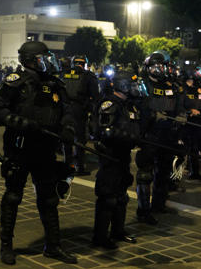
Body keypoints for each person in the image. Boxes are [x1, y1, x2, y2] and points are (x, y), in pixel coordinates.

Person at [0, 40, 78, 266]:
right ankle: (6, 246)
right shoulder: (16, 82)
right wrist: (19, 122)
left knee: (49, 199)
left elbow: (67, 111)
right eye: (42, 58)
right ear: (30, 61)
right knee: (13, 197)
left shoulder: (55, 83)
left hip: (45, 149)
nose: (48, 62)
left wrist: (67, 128)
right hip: (19, 148)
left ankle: (53, 246)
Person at [91, 70, 143, 249]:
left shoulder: (127, 104)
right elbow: (105, 131)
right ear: (123, 85)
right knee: (108, 197)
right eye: (132, 84)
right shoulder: (110, 104)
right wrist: (128, 137)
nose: (135, 88)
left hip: (123, 155)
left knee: (121, 195)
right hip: (110, 155)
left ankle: (118, 231)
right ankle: (100, 237)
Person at [136, 51, 182, 225]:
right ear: (147, 68)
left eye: (161, 66)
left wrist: (181, 115)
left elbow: (177, 106)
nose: (159, 70)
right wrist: (152, 115)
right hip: (149, 134)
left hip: (167, 135)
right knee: (145, 175)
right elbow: (137, 107)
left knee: (163, 173)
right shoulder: (142, 85)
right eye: (155, 66)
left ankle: (158, 204)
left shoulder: (171, 86)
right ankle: (143, 210)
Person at [59, 55, 99, 175]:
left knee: (66, 136)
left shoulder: (63, 73)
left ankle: (67, 164)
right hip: (79, 109)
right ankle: (79, 166)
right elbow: (95, 96)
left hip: (64, 108)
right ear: (84, 64)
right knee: (80, 139)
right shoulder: (88, 76)